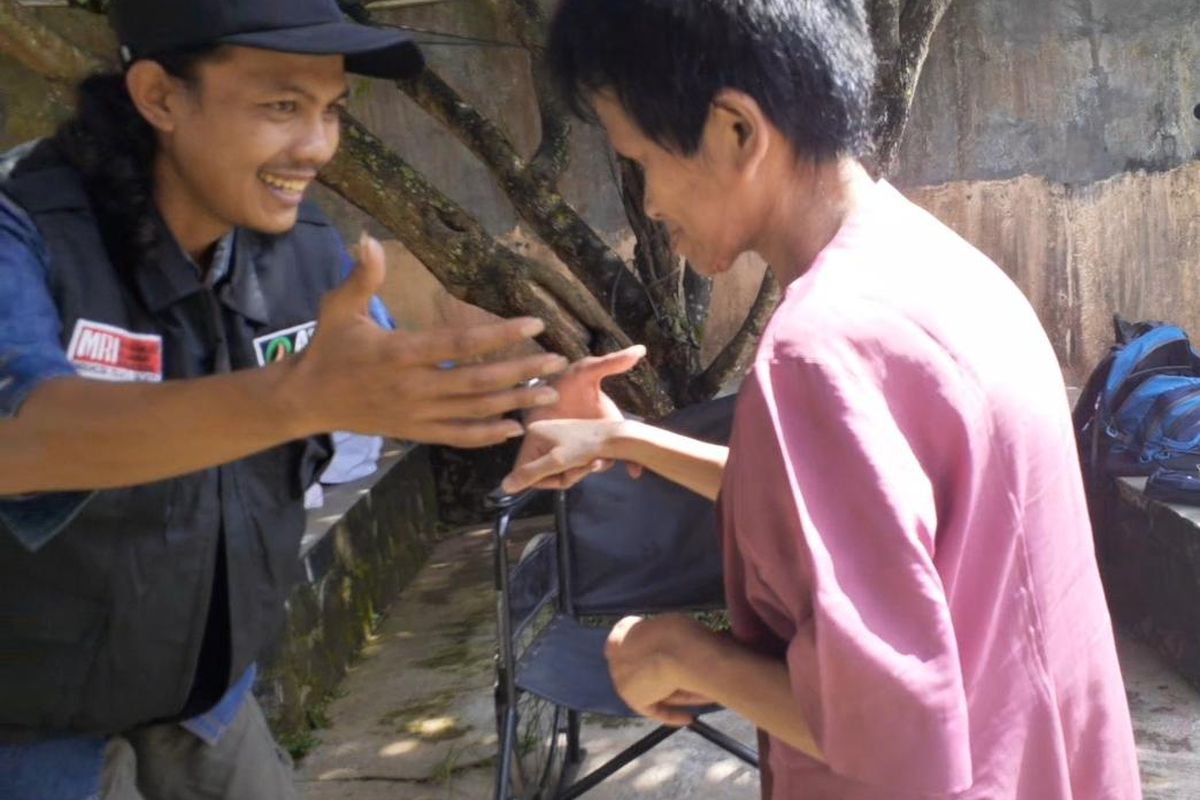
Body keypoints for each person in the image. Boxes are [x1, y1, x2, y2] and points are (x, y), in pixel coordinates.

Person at [502, 0, 1143, 797]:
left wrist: (680, 654)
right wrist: (622, 440)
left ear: (736, 131)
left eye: (640, 163)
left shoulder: (816, 352)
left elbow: (888, 729)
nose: (651, 204)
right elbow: (843, 517)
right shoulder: (930, 263)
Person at [0, 1, 568, 798]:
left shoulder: (306, 251)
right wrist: (292, 400)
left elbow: (383, 377)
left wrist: (537, 404)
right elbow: (18, 437)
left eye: (331, 110)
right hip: (30, 729)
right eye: (281, 106)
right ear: (159, 95)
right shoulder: (22, 227)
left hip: (210, 703)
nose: (317, 146)